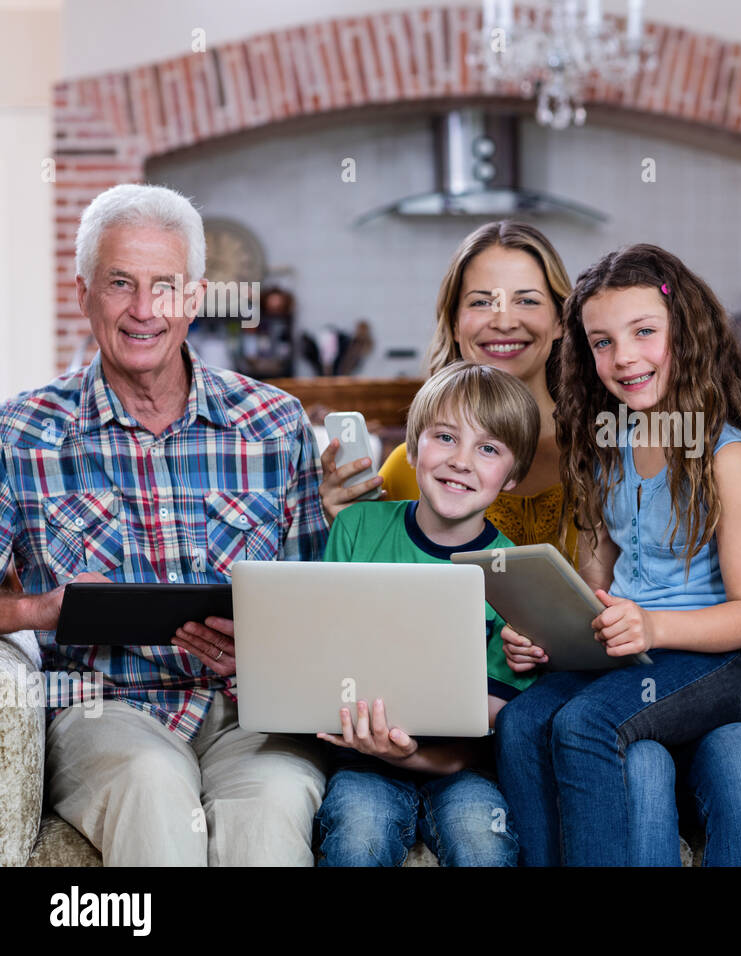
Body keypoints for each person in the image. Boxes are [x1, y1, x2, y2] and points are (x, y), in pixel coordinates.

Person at [0, 183, 328, 865]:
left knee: (270, 811)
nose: (144, 310)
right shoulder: (20, 433)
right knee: (154, 789)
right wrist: (40, 609)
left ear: (196, 296)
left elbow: (318, 600)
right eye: (121, 283)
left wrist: (270, 645)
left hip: (251, 711)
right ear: (83, 291)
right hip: (104, 711)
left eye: (165, 286)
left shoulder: (274, 423)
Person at [494, 244, 741, 866]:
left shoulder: (727, 457)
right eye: (602, 341)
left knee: (585, 725)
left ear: (684, 336)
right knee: (520, 723)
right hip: (633, 654)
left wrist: (654, 624)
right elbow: (595, 574)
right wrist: (548, 629)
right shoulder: (608, 445)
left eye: (644, 332)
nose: (624, 357)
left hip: (715, 660)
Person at [314, 362, 539, 866]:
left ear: (511, 477)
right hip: (361, 761)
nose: (461, 461)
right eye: (445, 437)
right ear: (412, 449)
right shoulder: (355, 528)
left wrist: (411, 754)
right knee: (357, 836)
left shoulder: (513, 575)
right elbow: (323, 658)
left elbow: (483, 730)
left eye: (488, 448)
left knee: (484, 842)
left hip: (458, 768)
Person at [319, 221, 577, 561]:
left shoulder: (607, 460)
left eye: (527, 301)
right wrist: (342, 520)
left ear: (560, 320)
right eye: (482, 302)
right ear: (454, 322)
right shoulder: (404, 469)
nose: (503, 322)